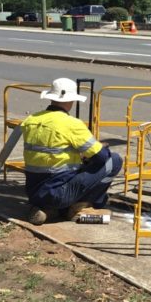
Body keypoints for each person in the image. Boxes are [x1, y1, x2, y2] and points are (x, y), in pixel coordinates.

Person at [20, 78, 123, 225]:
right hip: (61, 193)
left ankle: (47, 209)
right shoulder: (71, 124)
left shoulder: (31, 120)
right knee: (114, 160)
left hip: (34, 192)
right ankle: (80, 207)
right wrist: (101, 147)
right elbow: (101, 157)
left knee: (66, 177)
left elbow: (49, 152)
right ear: (71, 100)